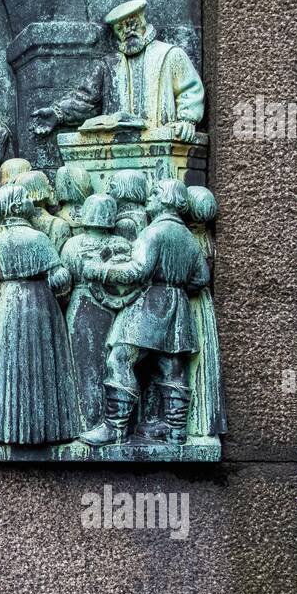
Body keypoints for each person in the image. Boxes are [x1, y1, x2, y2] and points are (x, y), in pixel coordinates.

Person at [78, 179, 209, 445]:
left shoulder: (153, 232)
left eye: (154, 195)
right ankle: (176, 431)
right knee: (171, 367)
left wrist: (98, 270)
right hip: (178, 307)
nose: (149, 199)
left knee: (120, 359)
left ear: (166, 200)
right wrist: (176, 285)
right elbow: (201, 278)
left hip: (149, 305)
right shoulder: (189, 238)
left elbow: (137, 271)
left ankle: (114, 428)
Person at [0, 184, 77, 445]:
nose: (31, 202)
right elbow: (58, 277)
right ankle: (42, 430)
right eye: (25, 199)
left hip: (1, 304)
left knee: (2, 369)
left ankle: (1, 428)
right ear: (15, 208)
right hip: (34, 303)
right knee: (37, 368)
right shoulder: (35, 238)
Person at [31, 0, 204, 143]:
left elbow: (190, 90)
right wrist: (57, 113)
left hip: (160, 142)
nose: (128, 31)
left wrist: (187, 120)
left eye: (132, 24)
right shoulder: (108, 64)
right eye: (120, 28)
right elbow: (85, 99)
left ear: (143, 21)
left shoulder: (171, 55)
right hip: (118, 146)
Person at [60, 193, 138, 433]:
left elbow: (66, 281)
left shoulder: (73, 245)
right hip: (113, 310)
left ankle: (84, 421)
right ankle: (110, 420)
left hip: (81, 306)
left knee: (81, 367)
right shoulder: (122, 245)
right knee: (109, 365)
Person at [185, 185, 226, 438]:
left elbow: (197, 278)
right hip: (202, 304)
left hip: (190, 304)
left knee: (193, 364)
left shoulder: (189, 239)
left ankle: (195, 421)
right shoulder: (206, 238)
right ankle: (200, 422)